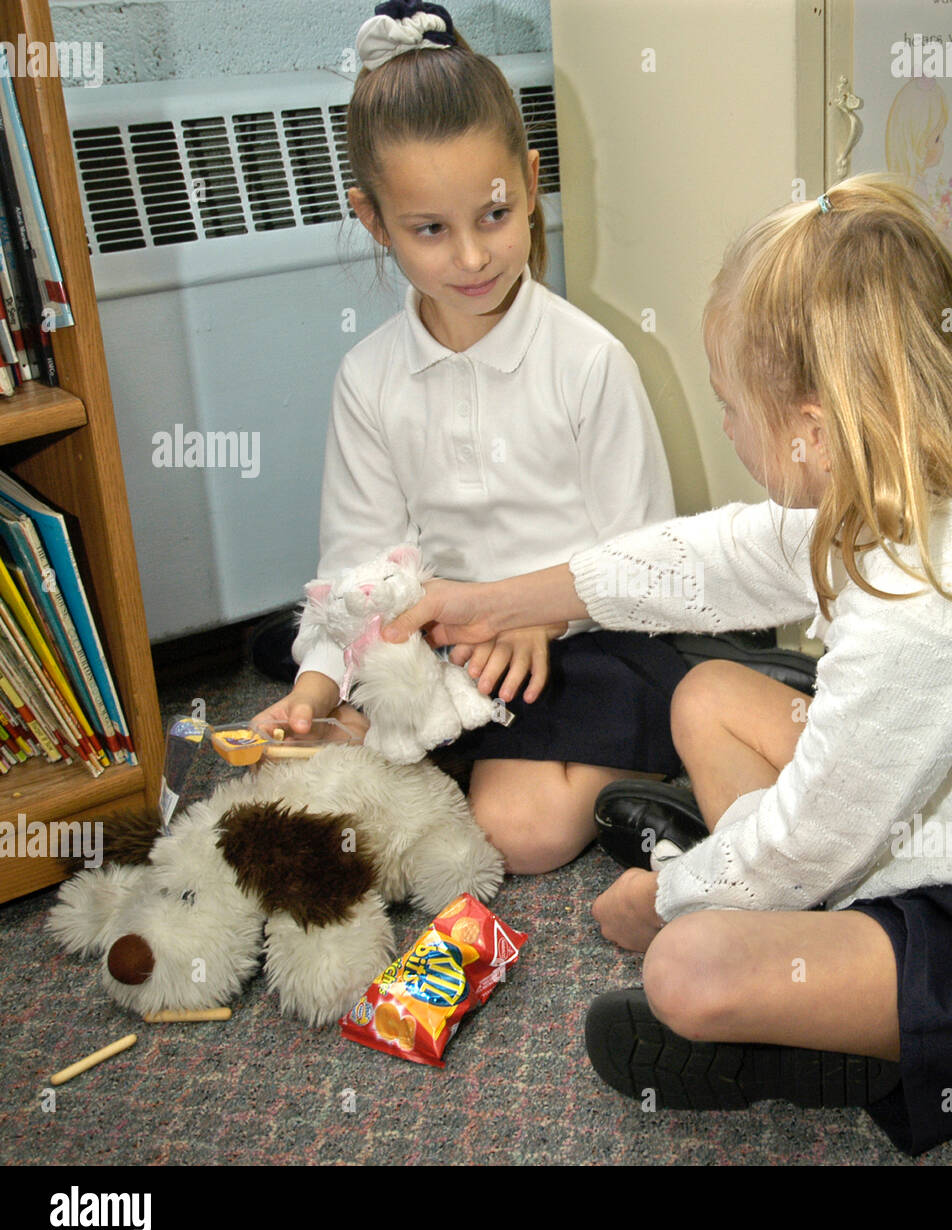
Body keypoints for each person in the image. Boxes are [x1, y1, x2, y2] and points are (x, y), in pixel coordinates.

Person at [381, 173, 952, 1155]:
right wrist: (494, 600)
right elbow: (706, 560)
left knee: (688, 966)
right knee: (710, 690)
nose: (724, 424)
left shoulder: (925, 606)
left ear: (810, 426)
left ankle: (868, 1039)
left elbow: (809, 837)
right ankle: (791, 931)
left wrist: (669, 893)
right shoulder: (916, 484)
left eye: (730, 405)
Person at [254, 2, 686, 875]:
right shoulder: (369, 380)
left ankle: (539, 760)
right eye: (429, 231)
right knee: (294, 751)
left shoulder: (590, 362)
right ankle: (412, 739)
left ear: (529, 182)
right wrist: (314, 688)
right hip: (441, 647)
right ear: (374, 221)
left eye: (493, 216)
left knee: (520, 833)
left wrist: (540, 609)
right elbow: (359, 576)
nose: (473, 258)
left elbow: (650, 565)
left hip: (579, 637)